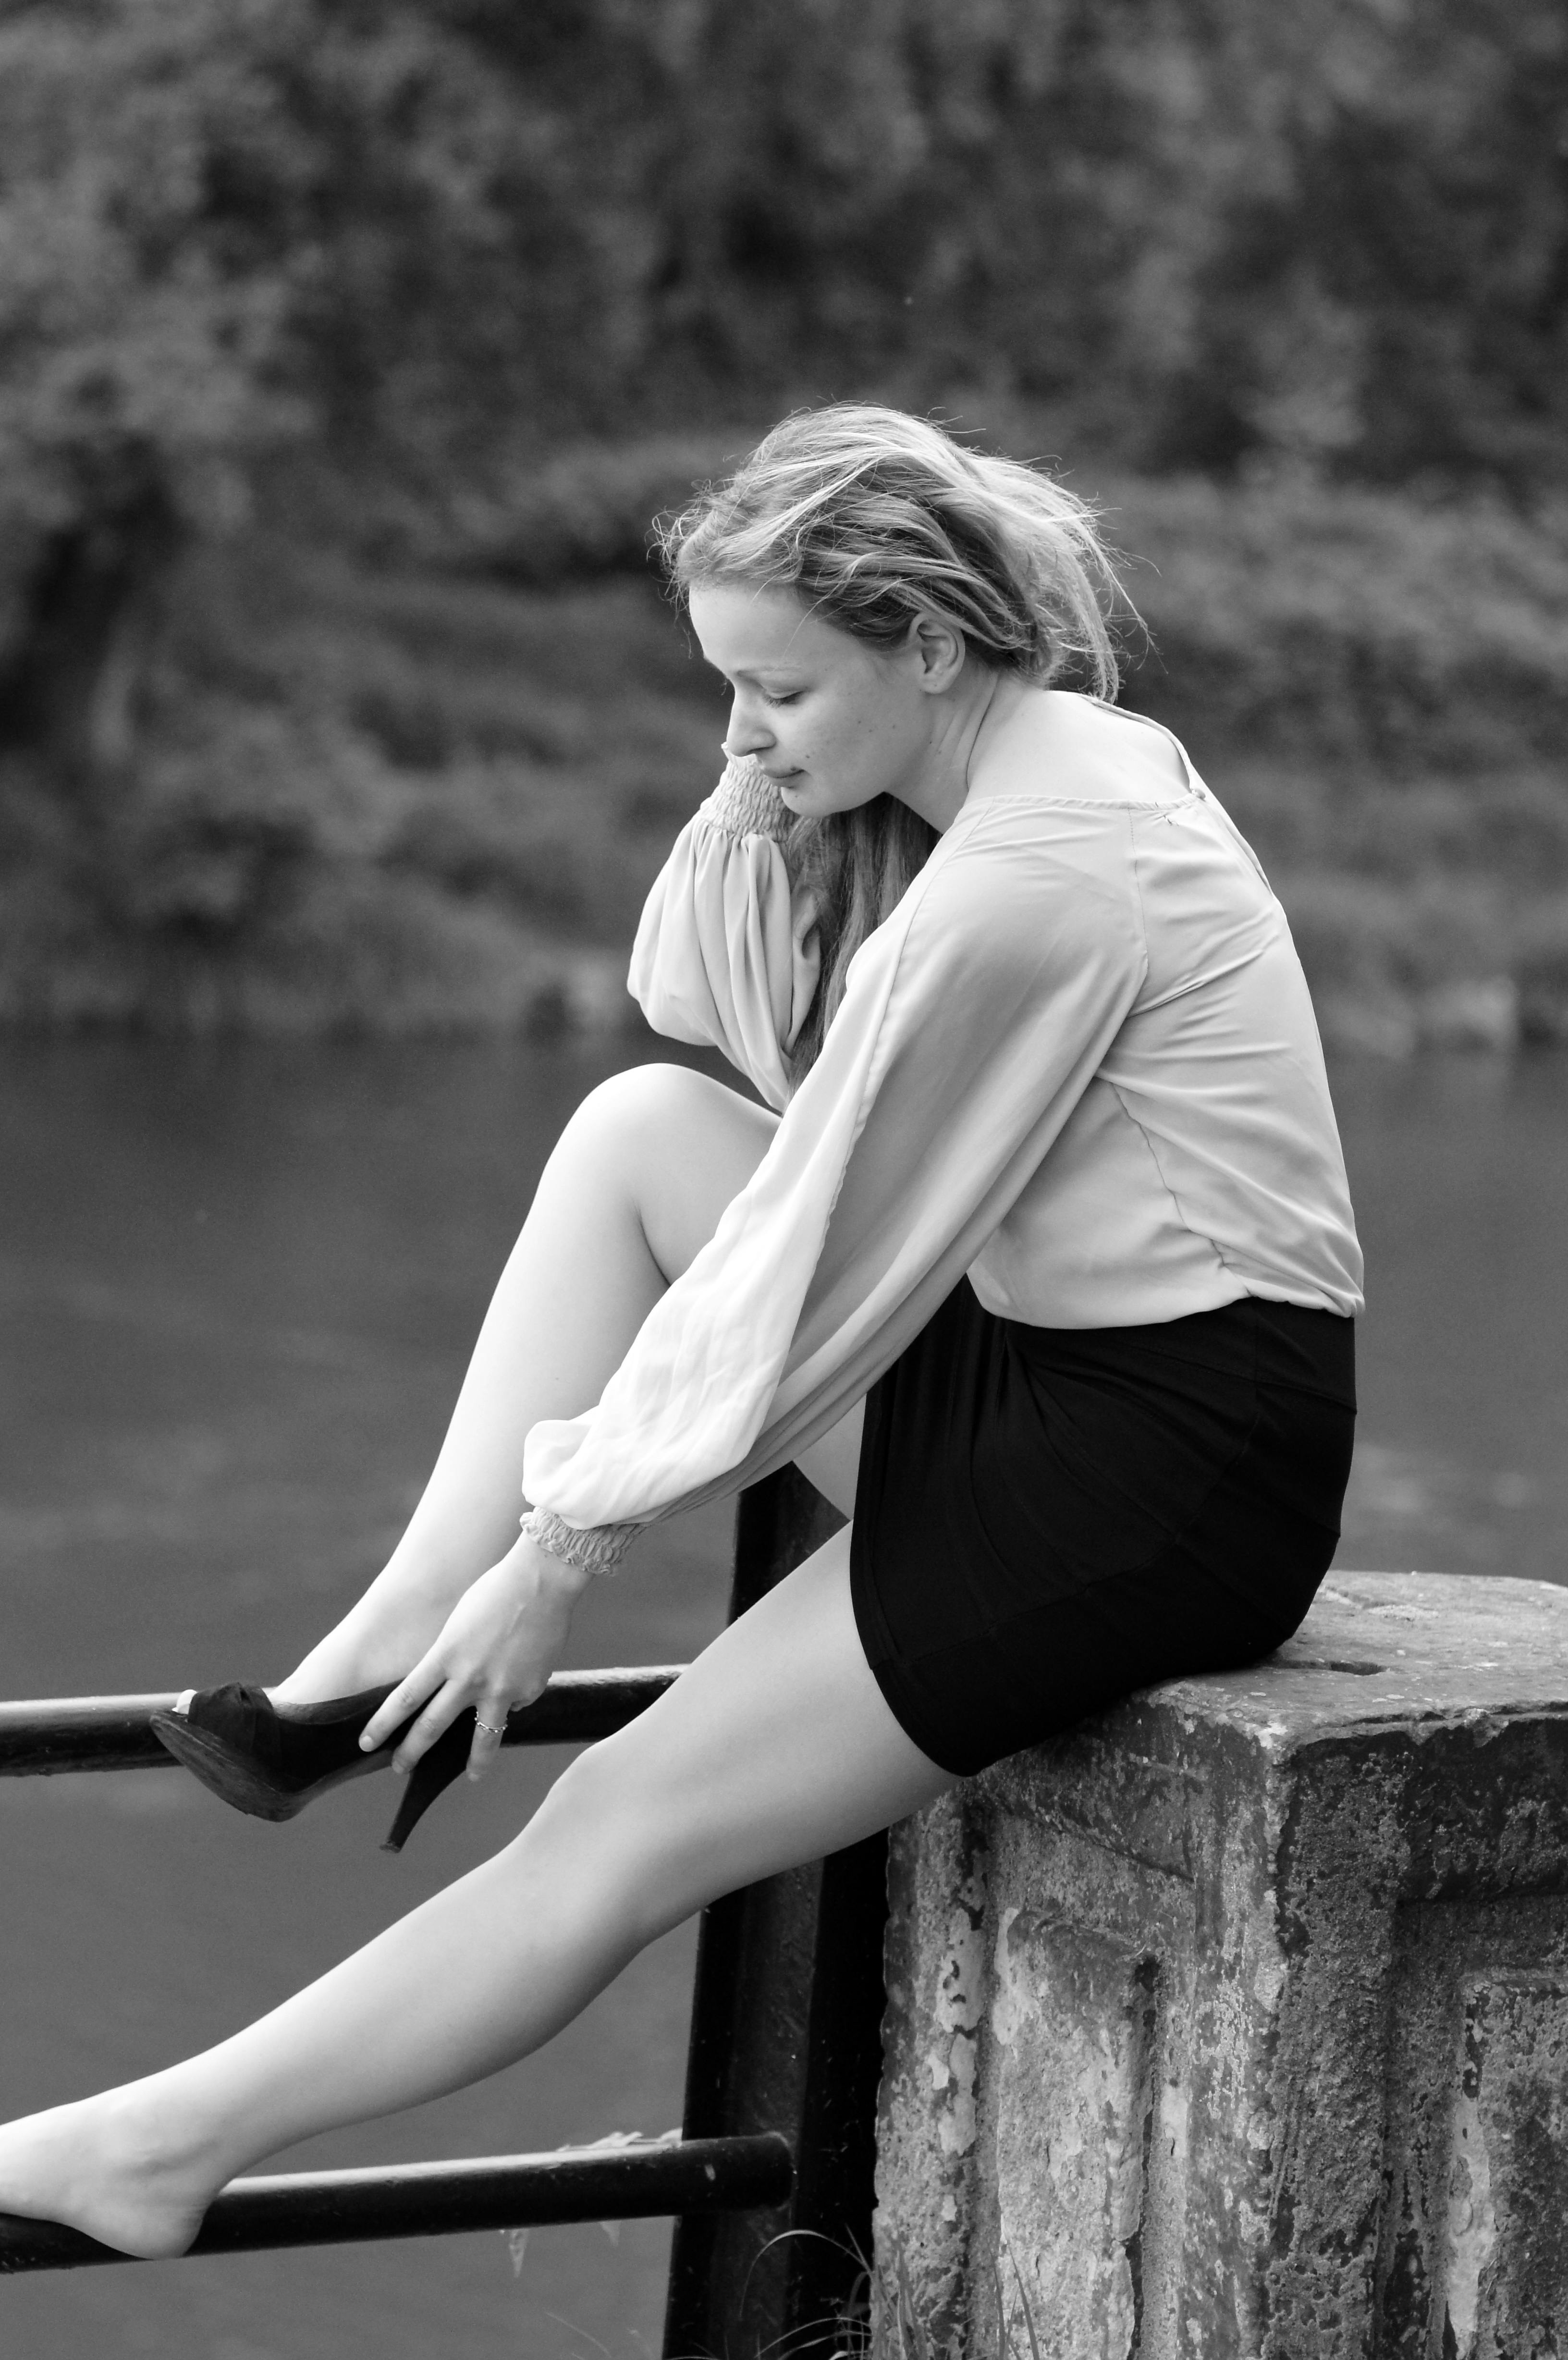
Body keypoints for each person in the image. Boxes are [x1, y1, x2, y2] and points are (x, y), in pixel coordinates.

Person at [0, 406, 1361, 2261]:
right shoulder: (1032, 763)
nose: (737, 733)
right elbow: (688, 997)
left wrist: (568, 1548)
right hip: (1060, 1381)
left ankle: (152, 2155)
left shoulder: (1040, 874)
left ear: (930, 645)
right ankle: (387, 1638)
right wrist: (772, 765)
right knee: (641, 1127)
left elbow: (816, 1253)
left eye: (777, 690)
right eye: (721, 685)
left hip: (1166, 1474)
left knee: (621, 1819)